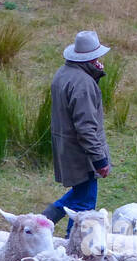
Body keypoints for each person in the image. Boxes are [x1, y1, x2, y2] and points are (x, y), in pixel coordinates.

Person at [43, 30, 111, 236]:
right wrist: (100, 160)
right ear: (89, 57)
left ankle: (43, 221)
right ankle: (71, 244)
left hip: (67, 148)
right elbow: (86, 127)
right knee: (85, 202)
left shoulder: (63, 73)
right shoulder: (83, 83)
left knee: (80, 194)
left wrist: (93, 74)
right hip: (81, 153)